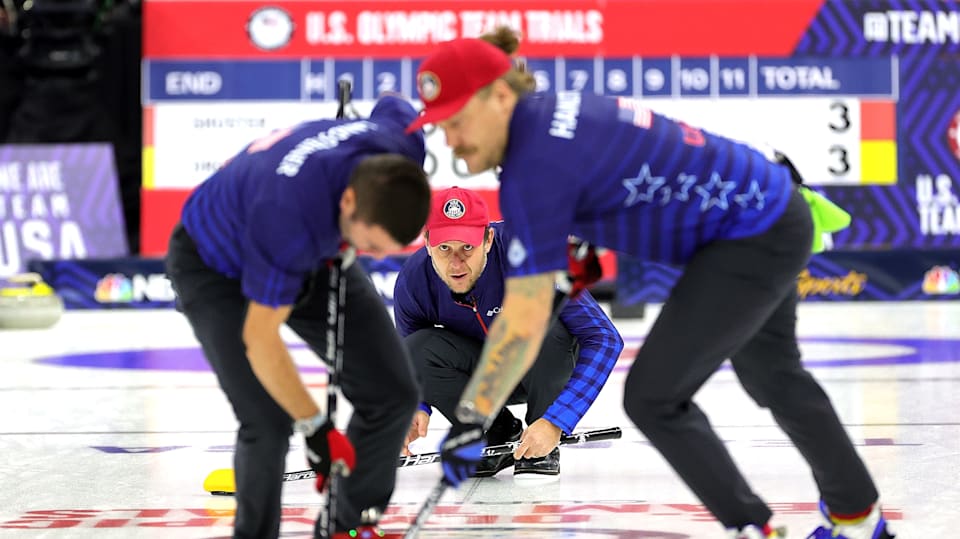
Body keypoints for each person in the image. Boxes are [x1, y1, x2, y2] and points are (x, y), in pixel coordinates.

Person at [406, 28, 894, 539]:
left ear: (500, 97)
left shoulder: (536, 162)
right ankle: (858, 519)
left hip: (749, 233)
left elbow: (524, 318)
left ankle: (758, 527)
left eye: (458, 121)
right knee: (774, 375)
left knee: (654, 397)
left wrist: (470, 418)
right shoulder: (546, 122)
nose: (452, 140)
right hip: (773, 207)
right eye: (442, 125)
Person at [165, 94, 431, 539]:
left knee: (393, 392)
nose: (374, 257)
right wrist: (317, 427)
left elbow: (394, 103)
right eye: (369, 245)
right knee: (267, 416)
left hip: (320, 246)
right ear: (348, 201)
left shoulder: (399, 145)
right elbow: (261, 341)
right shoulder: (286, 219)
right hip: (216, 264)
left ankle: (344, 527)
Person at [394, 186, 623, 477]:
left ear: (488, 239)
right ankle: (495, 431)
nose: (456, 262)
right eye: (444, 248)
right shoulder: (414, 281)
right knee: (414, 349)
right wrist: (417, 406)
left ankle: (541, 438)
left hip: (544, 362)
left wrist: (557, 420)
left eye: (467, 247)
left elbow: (604, 338)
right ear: (427, 244)